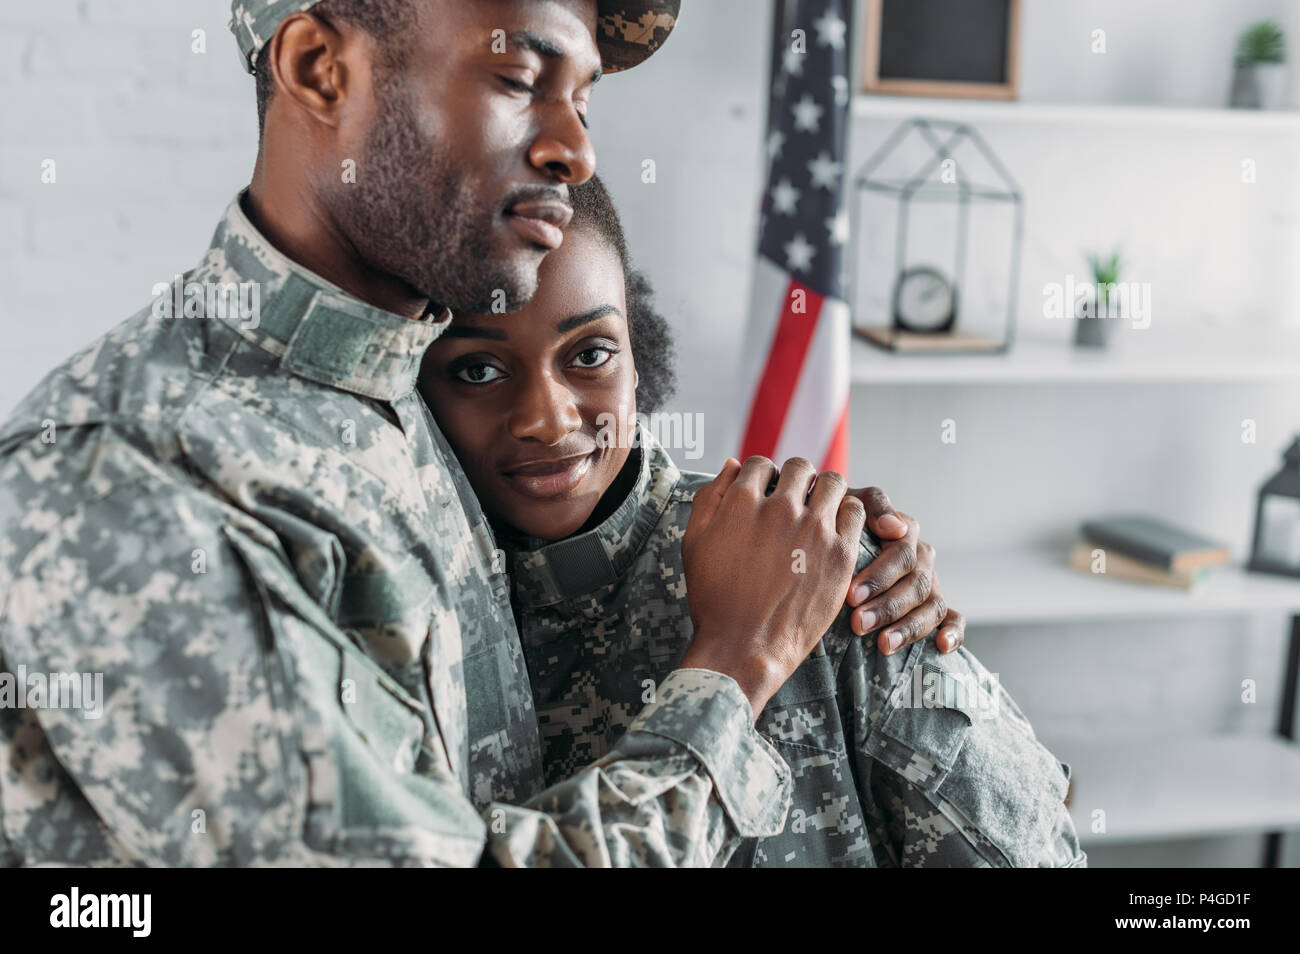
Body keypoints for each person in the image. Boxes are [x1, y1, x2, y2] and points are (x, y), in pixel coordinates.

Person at [0, 0, 961, 867]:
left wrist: (827, 539)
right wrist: (737, 662)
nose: (573, 151)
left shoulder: (390, 386)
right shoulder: (126, 473)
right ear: (319, 69)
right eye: (517, 80)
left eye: (581, 96)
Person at [420, 175, 1086, 867]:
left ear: (637, 355)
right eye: (477, 370)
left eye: (590, 354)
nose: (548, 418)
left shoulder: (809, 562)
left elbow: (1036, 847)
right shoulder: (407, 612)